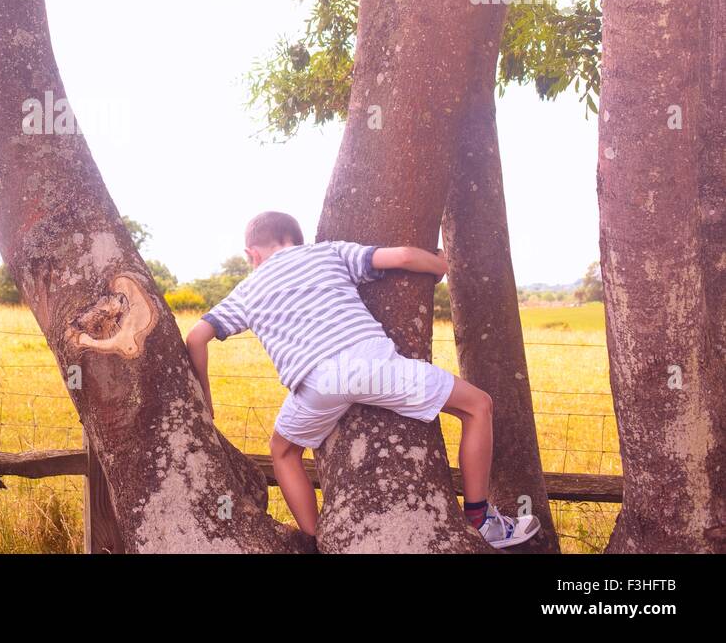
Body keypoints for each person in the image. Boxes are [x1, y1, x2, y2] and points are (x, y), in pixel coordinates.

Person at [184, 210, 539, 549]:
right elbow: (401, 256)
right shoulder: (328, 254)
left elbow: (196, 337)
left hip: (315, 384)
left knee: (284, 453)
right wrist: (439, 265)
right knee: (478, 406)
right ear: (296, 239)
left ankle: (316, 538)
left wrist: (206, 400)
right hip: (371, 363)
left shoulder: (247, 290)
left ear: (252, 253)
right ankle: (482, 521)